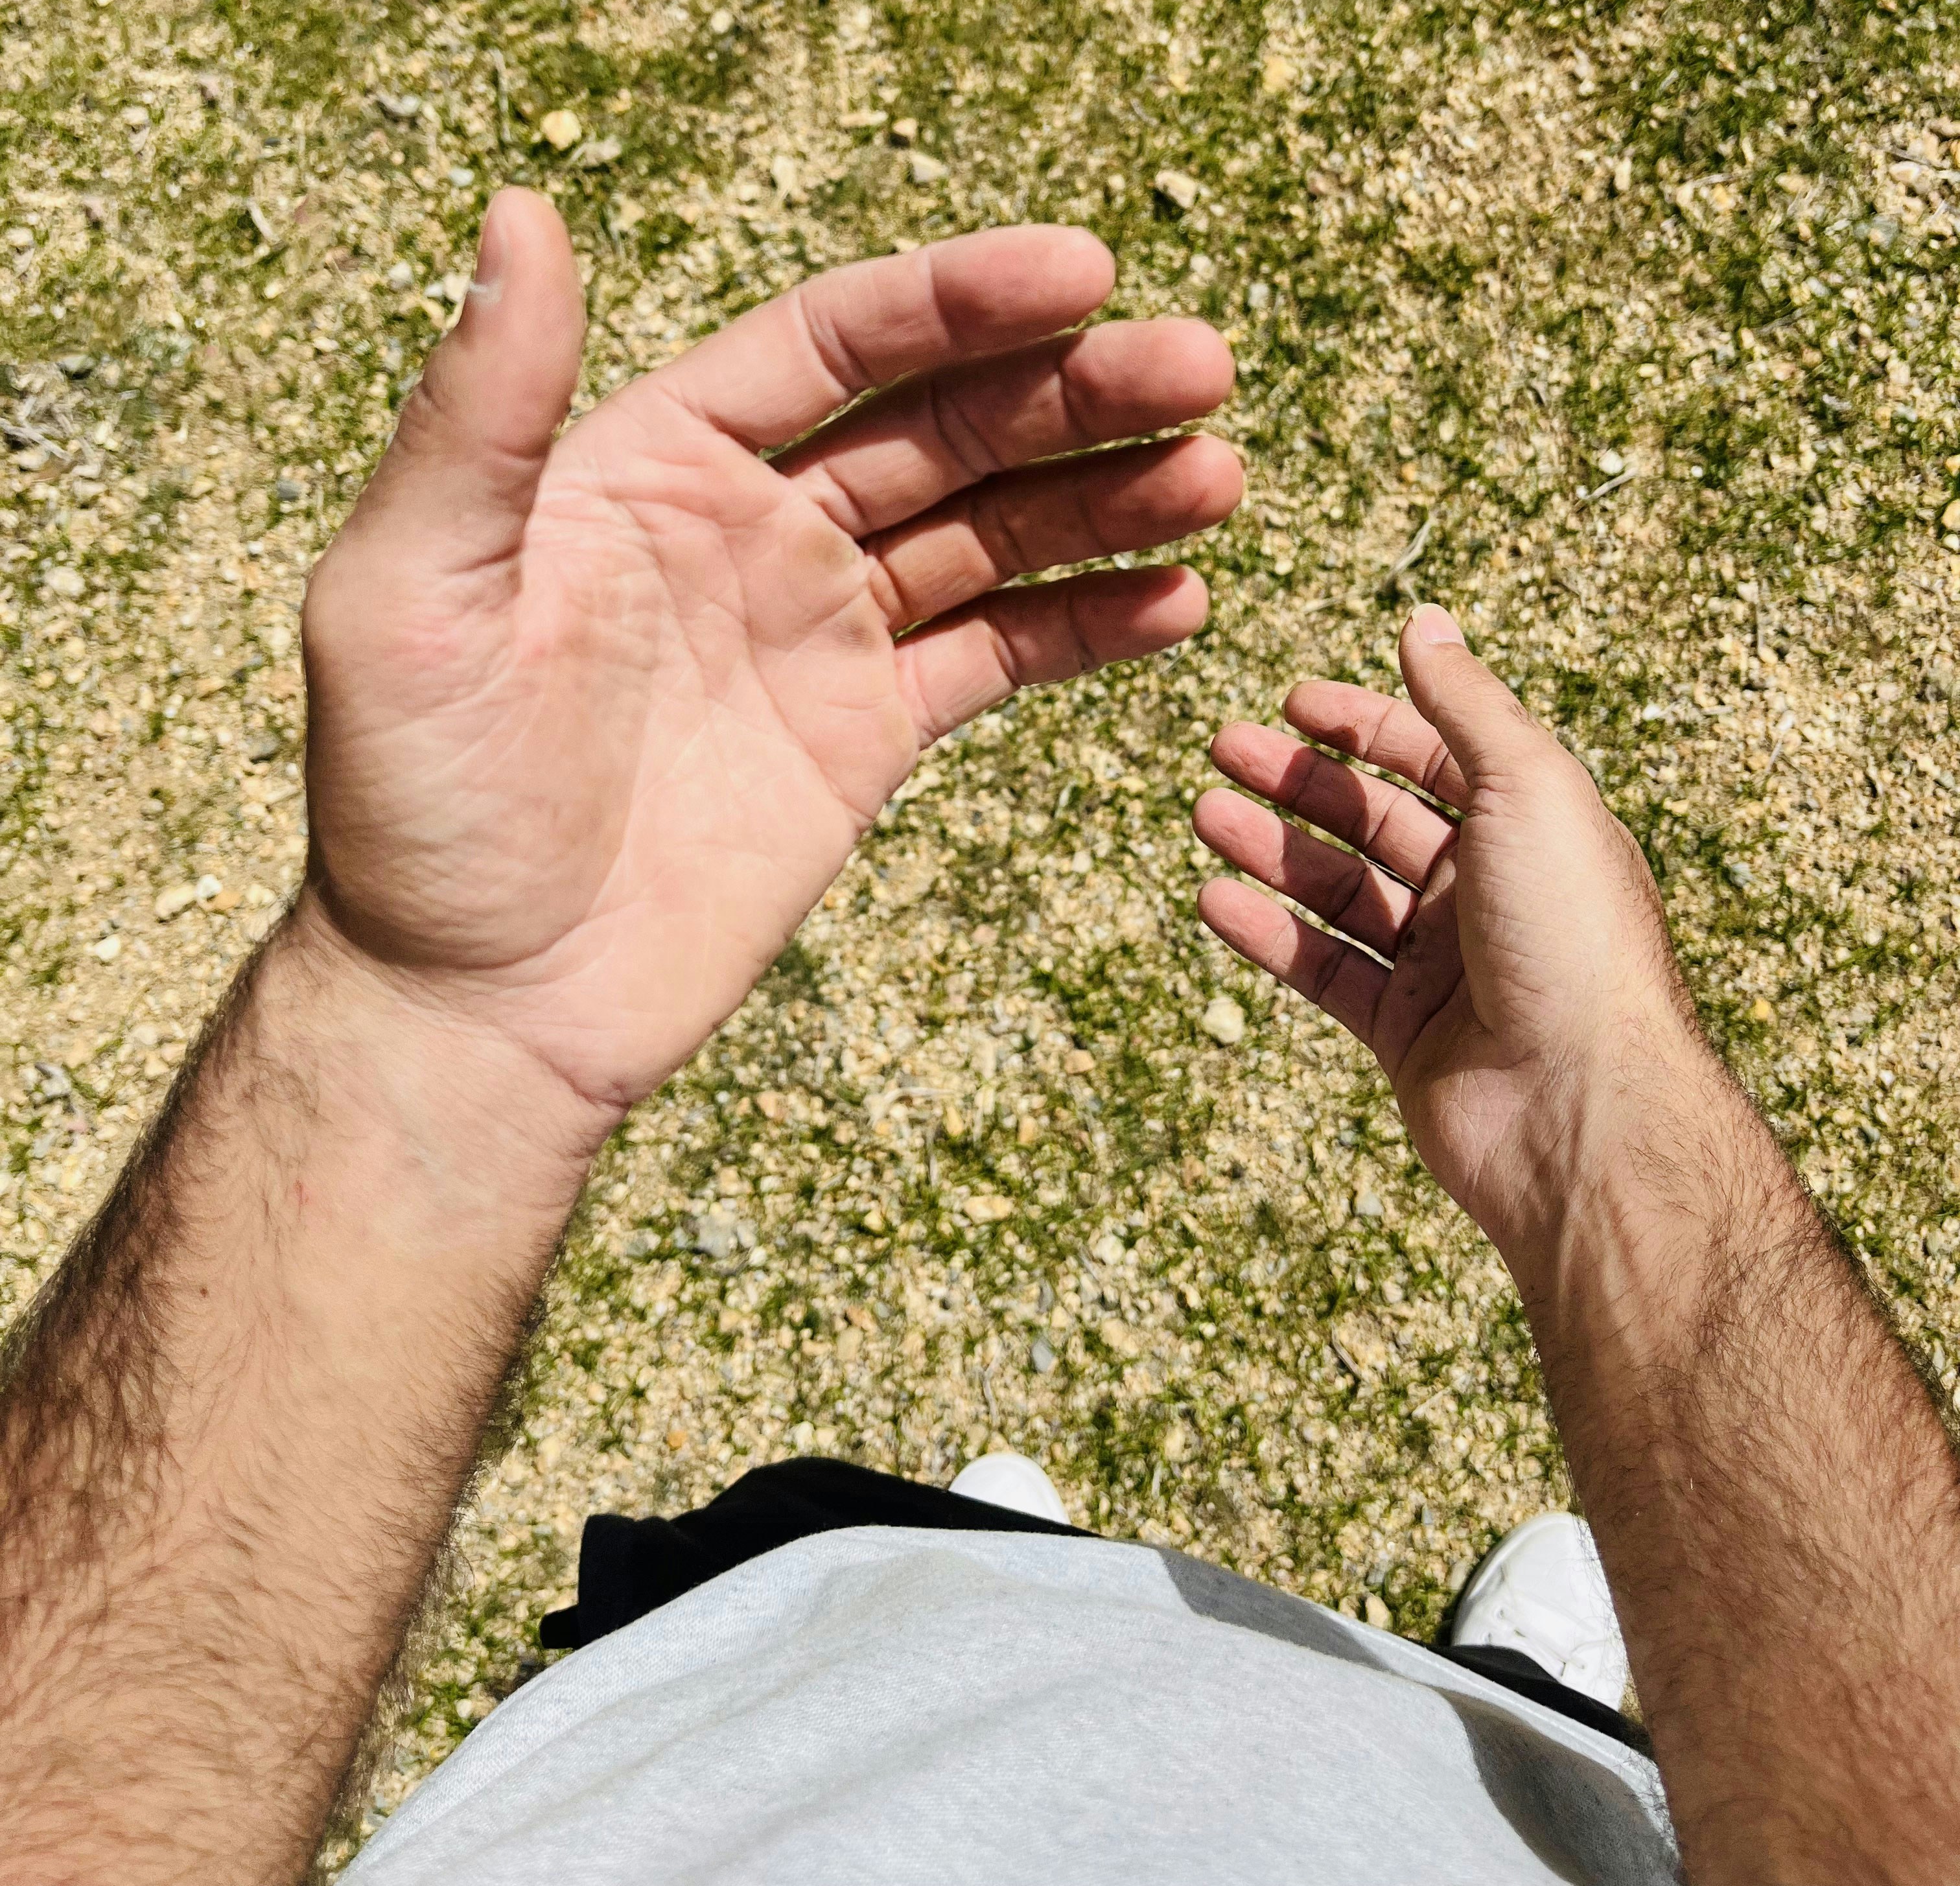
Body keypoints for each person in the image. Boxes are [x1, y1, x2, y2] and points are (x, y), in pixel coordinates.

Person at [0, 204, 1954, 1886]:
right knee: (1515, 1763)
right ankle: (1505, 1706)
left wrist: (430, 1028)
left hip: (743, 1737)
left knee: (874, 1611)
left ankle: (959, 1593)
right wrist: (1604, 1133)